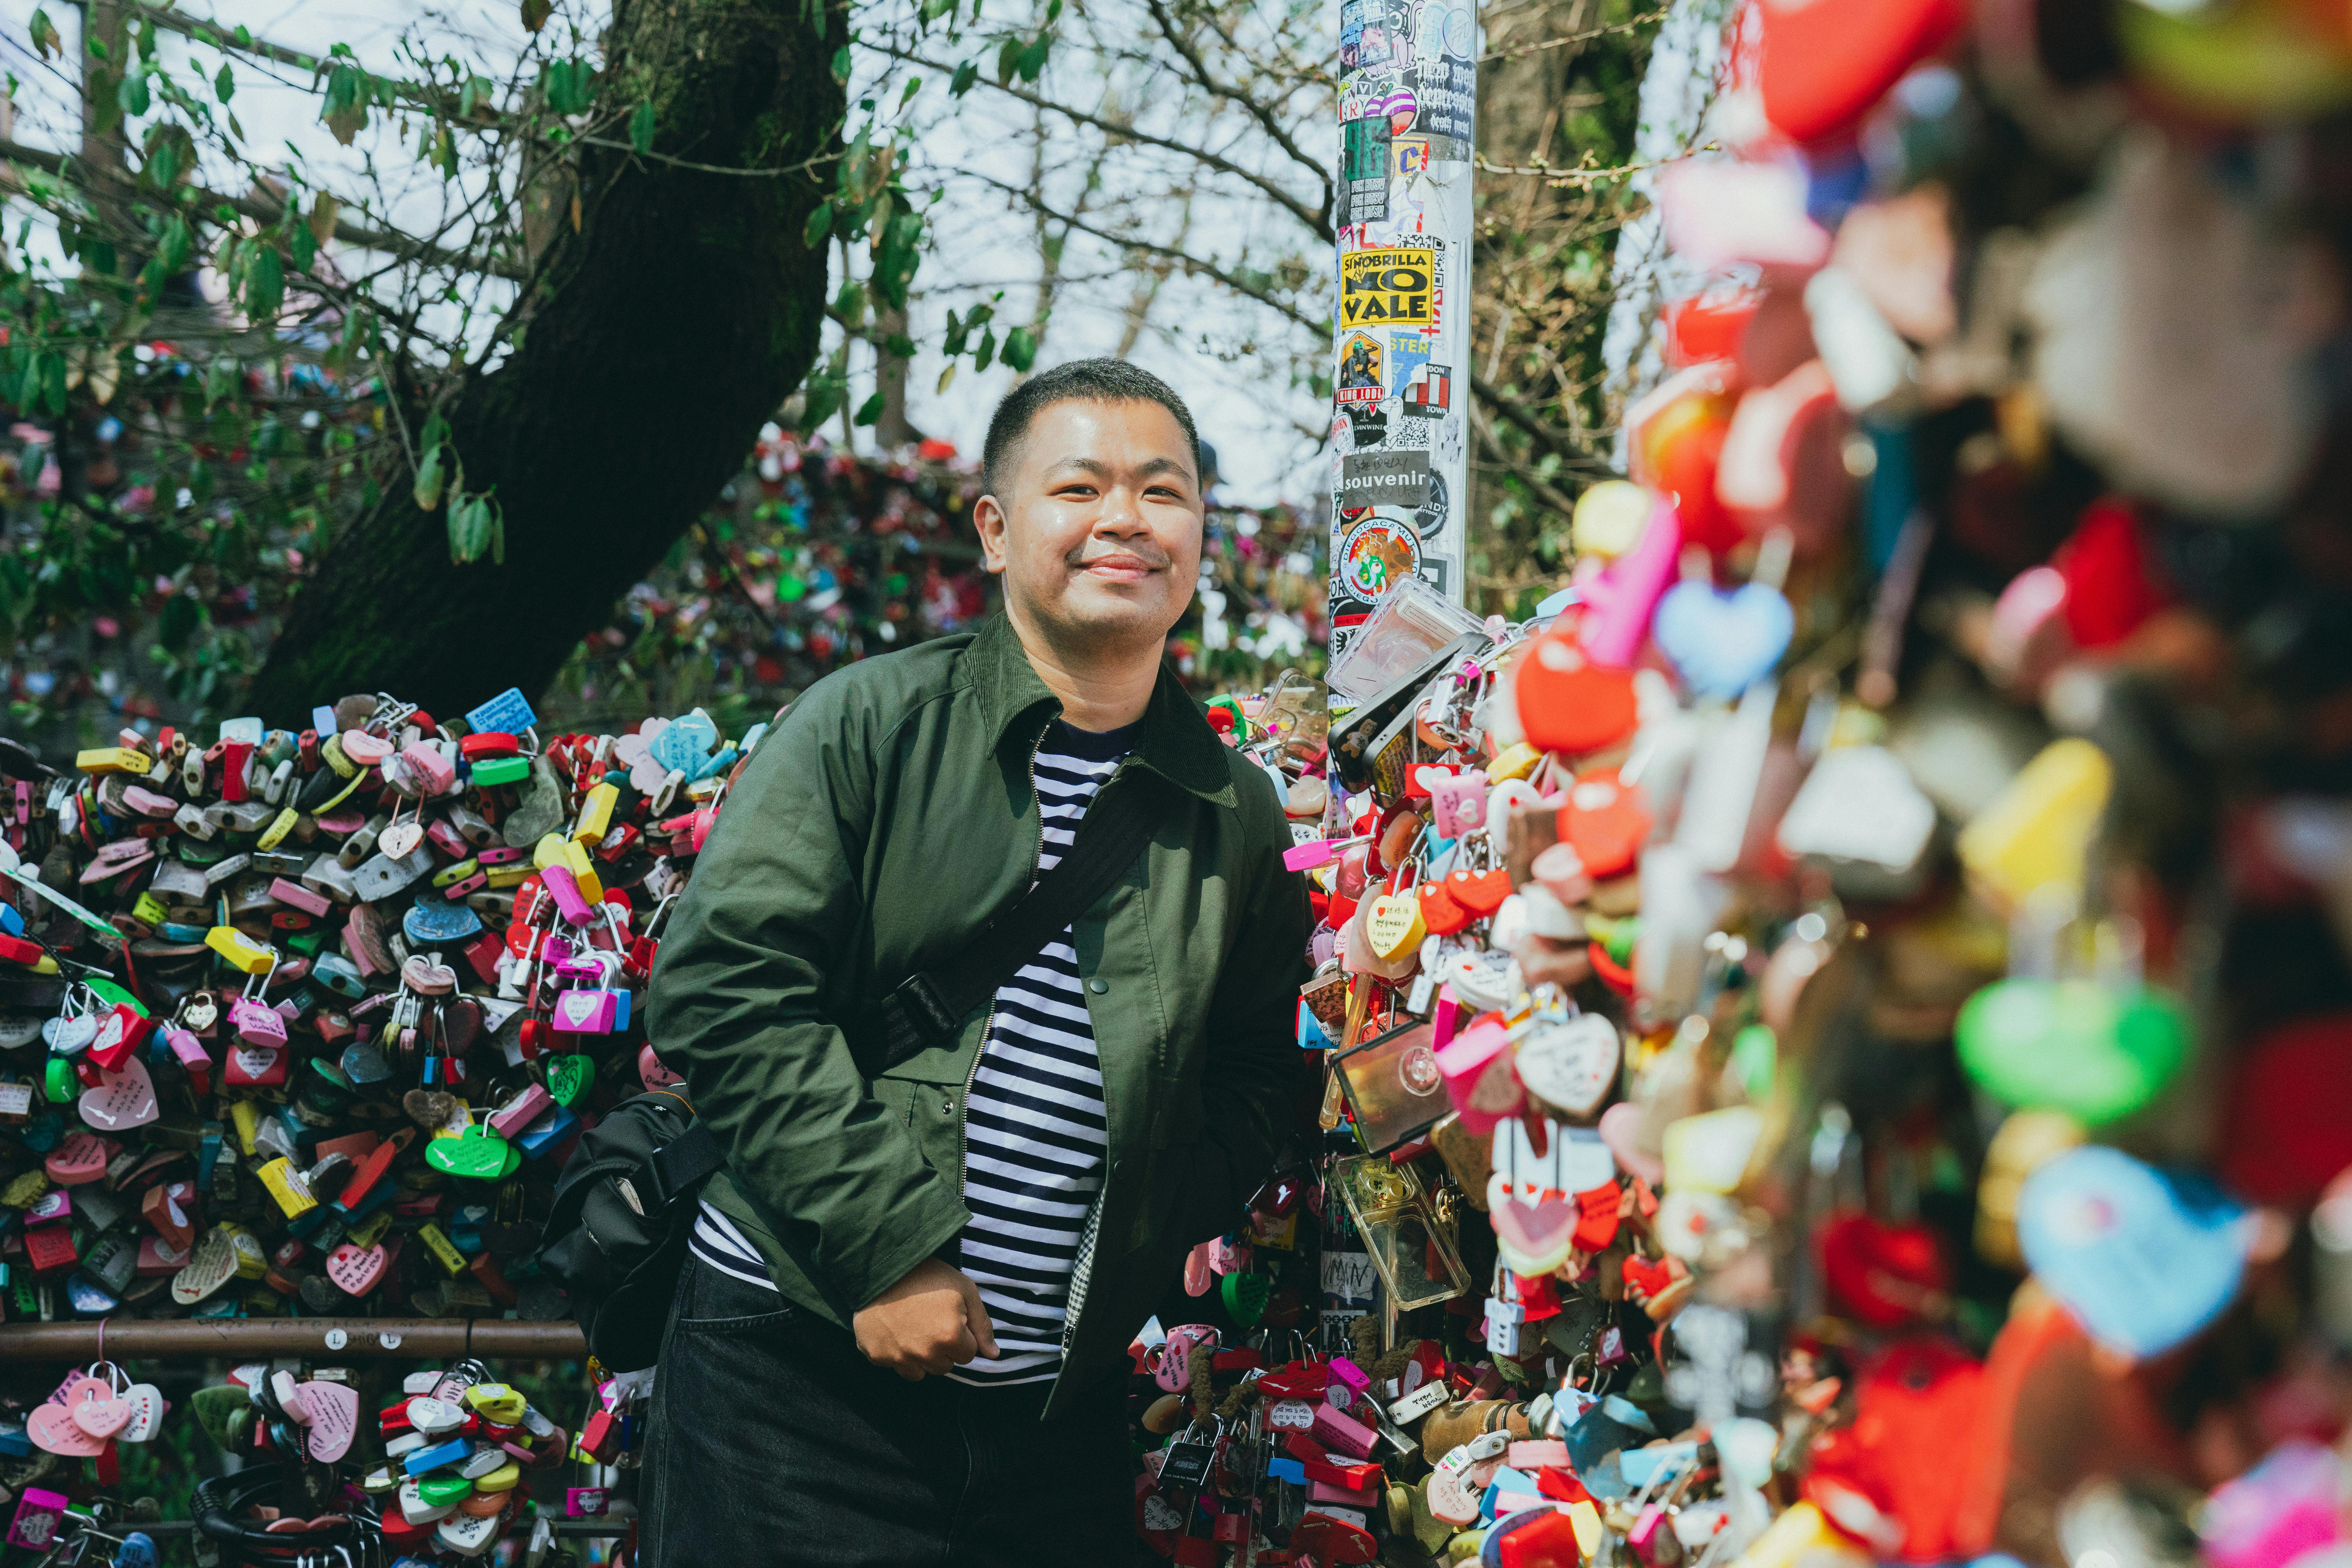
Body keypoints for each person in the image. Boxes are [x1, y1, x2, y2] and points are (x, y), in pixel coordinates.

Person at [640, 358, 1311, 1567]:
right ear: (997, 531)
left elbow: (1265, 1069)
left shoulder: (1233, 810)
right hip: (795, 1382)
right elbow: (723, 990)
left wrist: (1141, 1237)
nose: (1124, 520)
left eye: (1163, 493)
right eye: (1080, 487)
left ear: (1200, 538)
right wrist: (887, 1248)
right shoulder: (871, 724)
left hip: (1053, 1423)